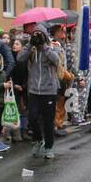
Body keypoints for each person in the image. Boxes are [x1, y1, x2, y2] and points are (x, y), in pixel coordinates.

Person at [17, 29, 60, 159]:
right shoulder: (32, 49)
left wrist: (44, 45)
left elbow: (56, 60)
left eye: (39, 37)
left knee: (48, 121)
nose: (38, 40)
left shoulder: (52, 48)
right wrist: (30, 44)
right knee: (33, 117)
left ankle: (49, 147)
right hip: (34, 90)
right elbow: (20, 58)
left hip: (49, 91)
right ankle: (38, 139)